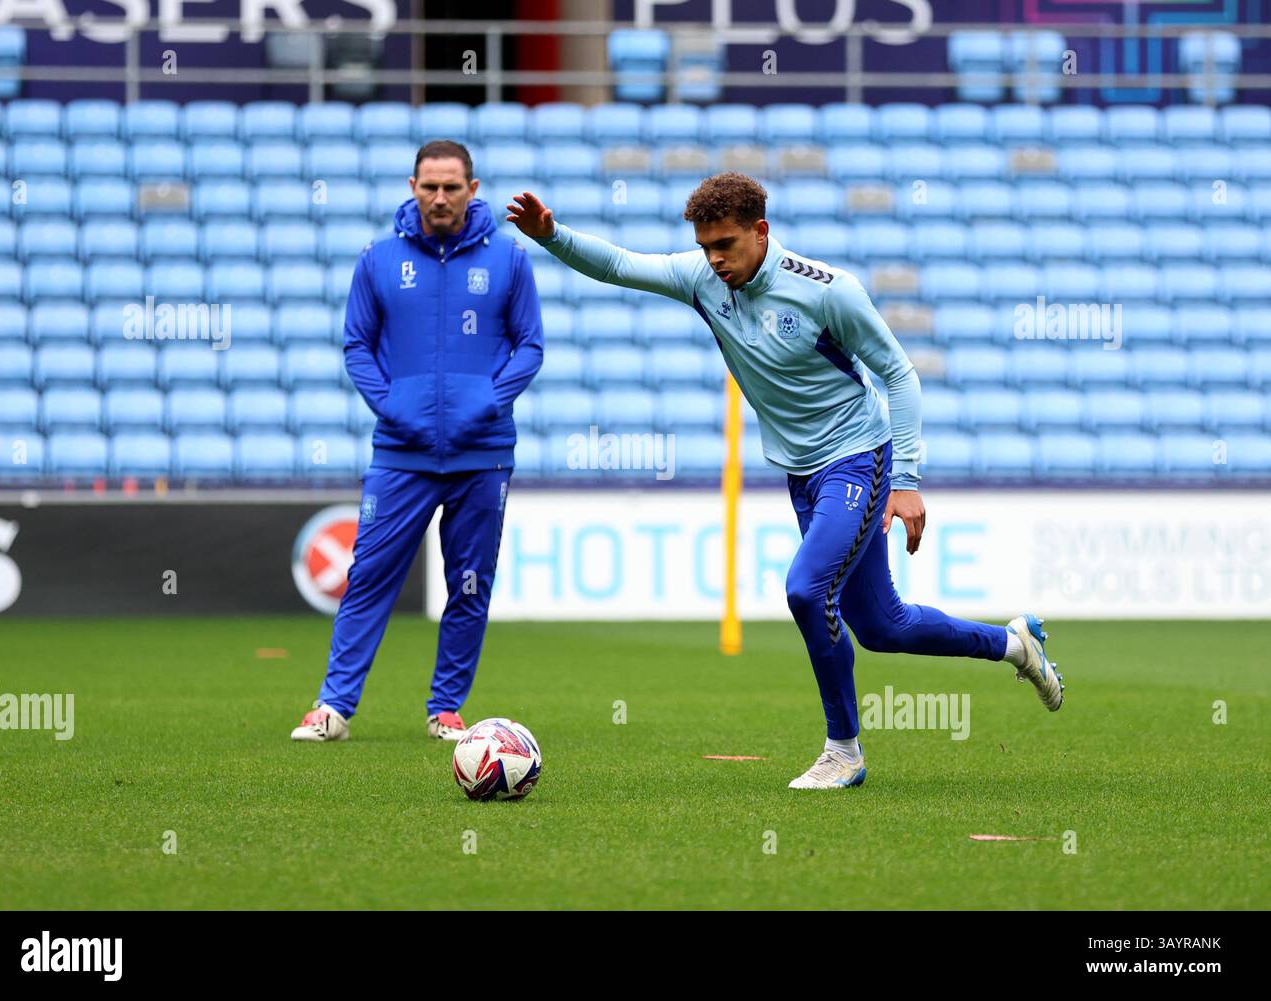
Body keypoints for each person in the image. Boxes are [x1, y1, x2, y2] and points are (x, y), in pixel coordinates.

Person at [505, 172, 1063, 789]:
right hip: (803, 474)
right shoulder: (701, 278)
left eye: (726, 245)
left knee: (804, 588)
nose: (714, 260)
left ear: (760, 231)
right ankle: (1015, 645)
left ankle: (843, 751)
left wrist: (905, 479)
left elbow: (900, 375)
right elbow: (618, 265)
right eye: (705, 247)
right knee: (882, 627)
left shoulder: (829, 293)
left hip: (858, 458)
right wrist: (551, 235)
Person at [292, 140, 544, 743]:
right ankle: (334, 706)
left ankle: (447, 709)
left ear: (472, 190)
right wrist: (393, 405)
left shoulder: (509, 260)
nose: (439, 197)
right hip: (401, 453)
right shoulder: (377, 260)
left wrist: (484, 402)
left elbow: (529, 346)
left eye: (451, 186)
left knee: (469, 582)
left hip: (482, 454)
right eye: (428, 186)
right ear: (412, 187)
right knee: (369, 575)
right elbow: (356, 344)